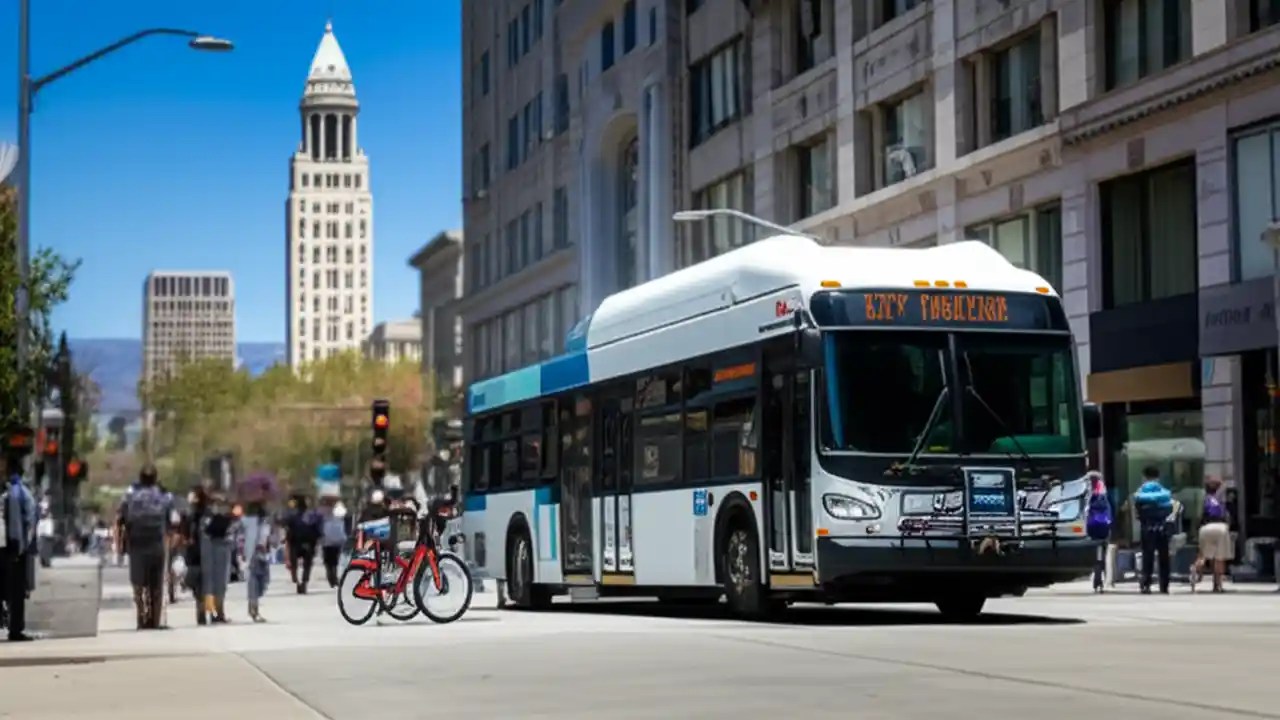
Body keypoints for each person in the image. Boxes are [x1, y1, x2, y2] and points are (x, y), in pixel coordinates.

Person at [120, 464, 173, 629]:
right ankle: (154, 618)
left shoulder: (130, 495)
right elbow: (170, 519)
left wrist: (122, 540)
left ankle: (141, 614)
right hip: (157, 542)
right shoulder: (164, 495)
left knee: (138, 582)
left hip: (136, 542)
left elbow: (122, 517)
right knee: (156, 584)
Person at [2, 454, 37, 642]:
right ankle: (15, 629)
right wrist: (22, 547)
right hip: (16, 549)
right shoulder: (20, 492)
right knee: (17, 592)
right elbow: (28, 521)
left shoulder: (8, 491)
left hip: (7, 548)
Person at [1132, 466, 1175, 595]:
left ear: (1144, 477)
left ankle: (1146, 584)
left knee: (1147, 557)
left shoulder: (1140, 493)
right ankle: (1164, 585)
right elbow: (1170, 510)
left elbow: (1137, 512)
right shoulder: (1164, 492)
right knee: (1164, 558)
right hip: (1162, 528)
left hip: (1147, 528)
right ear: (1158, 477)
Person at [1193, 476, 1232, 593]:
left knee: (1203, 555)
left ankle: (1195, 572)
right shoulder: (1221, 499)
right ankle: (1217, 585)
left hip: (1205, 528)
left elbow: (1198, 516)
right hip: (1221, 528)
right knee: (1219, 558)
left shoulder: (1203, 499)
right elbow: (1228, 516)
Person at [285, 494, 322, 594]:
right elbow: (318, 530)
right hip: (309, 543)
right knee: (307, 564)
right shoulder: (313, 515)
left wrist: (287, 540)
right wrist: (316, 541)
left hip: (295, 542)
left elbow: (288, 528)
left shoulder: (292, 515)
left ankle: (296, 581)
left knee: (294, 564)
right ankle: (304, 582)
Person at [1084, 471, 1112, 593]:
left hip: (1091, 527)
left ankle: (1096, 578)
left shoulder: (1086, 492)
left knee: (1094, 555)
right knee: (1103, 553)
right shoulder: (1103, 492)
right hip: (1104, 526)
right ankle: (1101, 579)